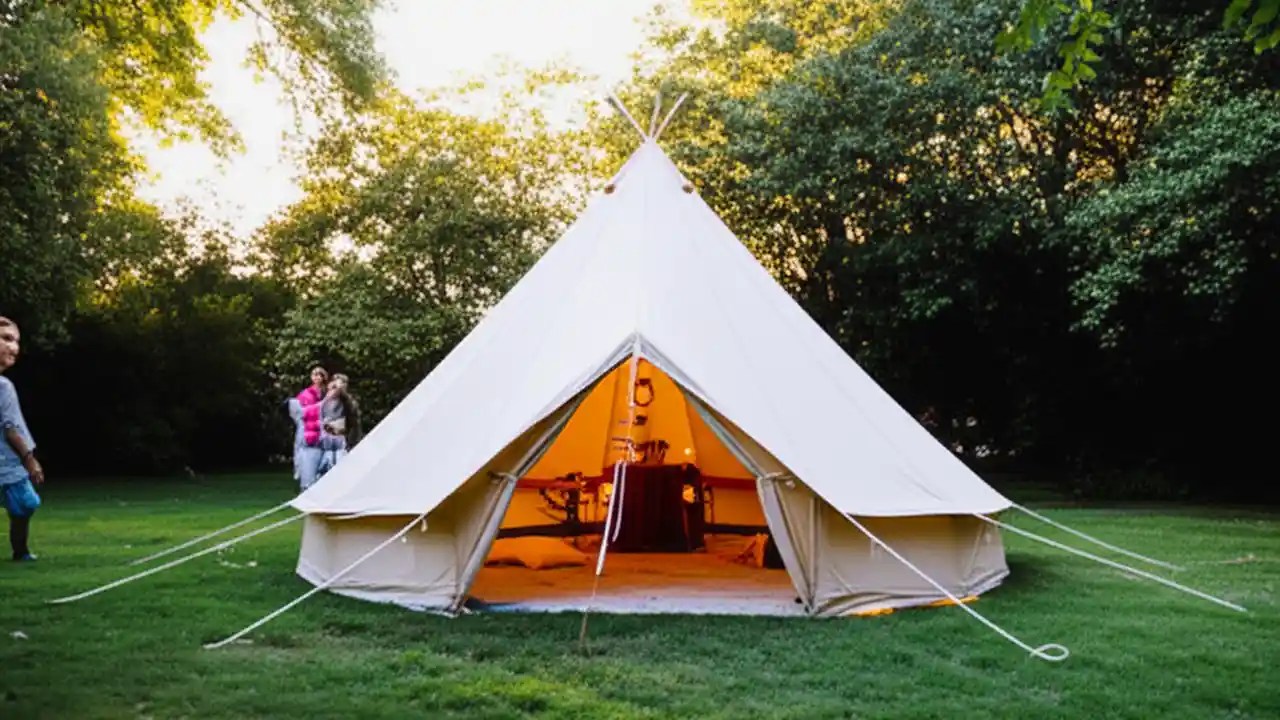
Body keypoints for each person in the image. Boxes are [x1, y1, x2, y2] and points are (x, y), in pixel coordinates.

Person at [0, 317, 42, 562]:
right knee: (25, 503)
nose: (14, 347)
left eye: (16, 341)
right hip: (7, 466)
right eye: (6, 339)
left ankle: (21, 552)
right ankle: (21, 552)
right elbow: (11, 427)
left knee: (23, 506)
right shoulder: (4, 388)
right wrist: (29, 459)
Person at [291, 366, 328, 490]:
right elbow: (302, 414)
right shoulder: (305, 394)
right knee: (308, 469)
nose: (317, 377)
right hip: (310, 436)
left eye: (319, 375)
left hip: (325, 436)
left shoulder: (327, 392)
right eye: (314, 375)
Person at [317, 373, 361, 477]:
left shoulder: (348, 402)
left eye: (342, 384)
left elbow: (353, 422)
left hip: (346, 440)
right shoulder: (326, 401)